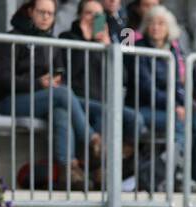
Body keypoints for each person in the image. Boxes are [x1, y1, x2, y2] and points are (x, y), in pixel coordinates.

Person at [0, 0, 100, 188]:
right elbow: (3, 78)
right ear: (30, 11)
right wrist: (38, 83)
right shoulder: (10, 38)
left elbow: (62, 74)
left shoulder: (51, 42)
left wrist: (56, 80)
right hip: (10, 100)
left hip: (44, 99)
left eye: (50, 14)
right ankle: (92, 140)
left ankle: (69, 169)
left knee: (61, 111)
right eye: (41, 12)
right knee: (62, 95)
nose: (45, 17)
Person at [127, 4, 196, 188]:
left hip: (172, 108)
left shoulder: (173, 51)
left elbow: (178, 86)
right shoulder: (139, 50)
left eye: (160, 23)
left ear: (169, 28)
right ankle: (177, 173)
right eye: (151, 23)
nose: (156, 27)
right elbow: (146, 87)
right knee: (180, 121)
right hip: (145, 108)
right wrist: (174, 105)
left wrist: (184, 104)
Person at [59, 0, 141, 151]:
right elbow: (71, 71)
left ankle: (121, 161)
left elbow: (125, 71)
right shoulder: (69, 36)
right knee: (102, 117)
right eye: (88, 13)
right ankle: (97, 164)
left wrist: (110, 48)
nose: (93, 18)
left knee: (134, 119)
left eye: (97, 16)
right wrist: (86, 40)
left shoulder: (126, 27)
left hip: (104, 98)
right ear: (79, 15)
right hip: (81, 97)